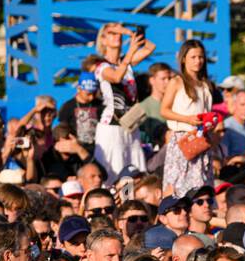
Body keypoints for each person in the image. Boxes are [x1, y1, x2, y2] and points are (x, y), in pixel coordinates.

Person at [93, 22, 155, 176]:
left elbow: (150, 47)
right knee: (114, 172)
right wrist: (130, 52)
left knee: (134, 171)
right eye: (112, 33)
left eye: (118, 33)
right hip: (112, 126)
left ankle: (131, 199)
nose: (117, 36)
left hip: (130, 125)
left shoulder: (125, 61)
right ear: (103, 40)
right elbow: (116, 77)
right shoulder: (101, 66)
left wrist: (128, 32)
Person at [159, 39, 217, 196]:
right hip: (183, 139)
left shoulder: (205, 84)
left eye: (201, 57)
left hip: (201, 140)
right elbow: (164, 110)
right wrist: (187, 119)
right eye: (193, 57)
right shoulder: (177, 81)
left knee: (201, 187)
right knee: (178, 186)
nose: (198, 61)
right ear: (184, 58)